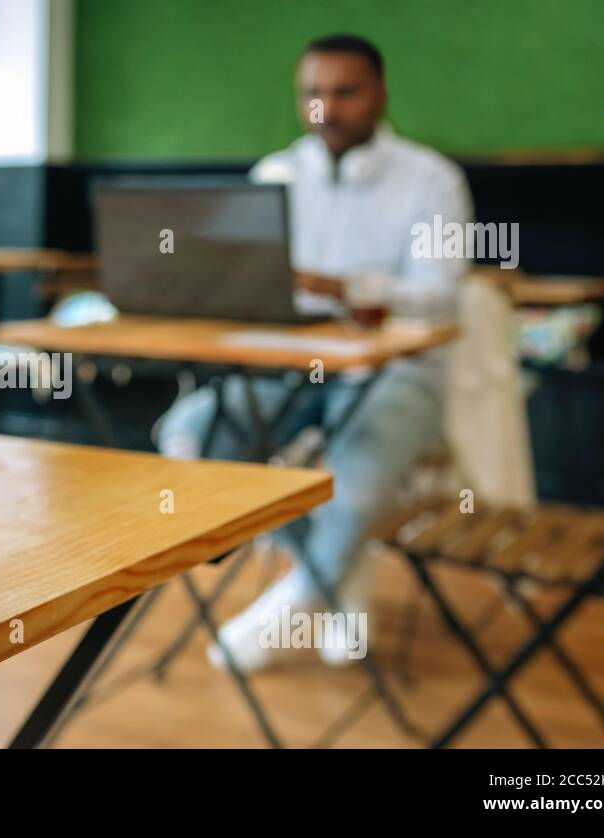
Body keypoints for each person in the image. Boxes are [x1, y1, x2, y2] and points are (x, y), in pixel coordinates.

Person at [157, 34, 473, 670]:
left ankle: (293, 601)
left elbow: (439, 297)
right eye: (312, 93)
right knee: (189, 434)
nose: (326, 108)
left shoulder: (432, 179)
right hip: (289, 367)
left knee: (353, 481)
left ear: (380, 93)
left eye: (344, 91)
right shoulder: (274, 176)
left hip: (401, 372)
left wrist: (341, 286)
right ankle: (336, 574)